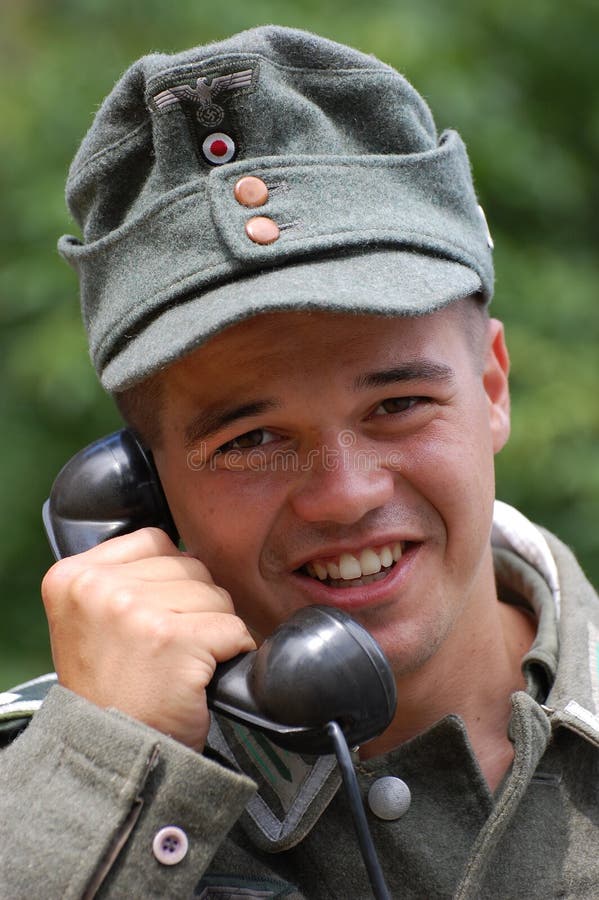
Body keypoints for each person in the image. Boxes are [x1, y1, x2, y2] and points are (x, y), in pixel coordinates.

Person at [1, 25, 598, 899]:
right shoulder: (39, 788)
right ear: (142, 486)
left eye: (397, 405)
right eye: (249, 440)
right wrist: (107, 780)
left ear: (492, 387)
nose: (344, 496)